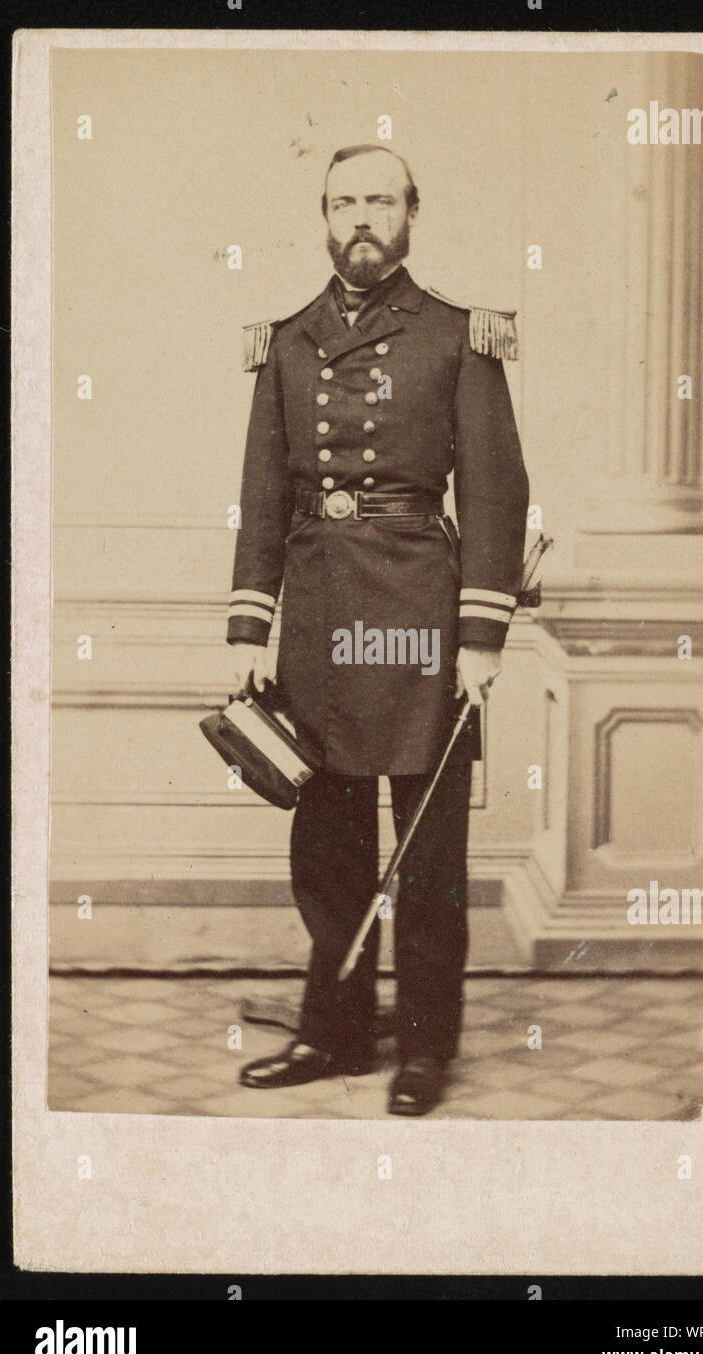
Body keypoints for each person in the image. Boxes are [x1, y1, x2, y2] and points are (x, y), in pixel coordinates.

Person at [227, 144, 529, 1115]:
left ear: (411, 213)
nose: (362, 217)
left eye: (381, 200)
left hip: (419, 613)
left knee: (429, 850)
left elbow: (495, 487)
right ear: (322, 215)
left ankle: (425, 1049)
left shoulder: (457, 335)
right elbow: (262, 488)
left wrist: (481, 636)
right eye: (344, 200)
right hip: (318, 608)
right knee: (328, 840)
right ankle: (336, 1032)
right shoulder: (284, 340)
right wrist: (249, 622)